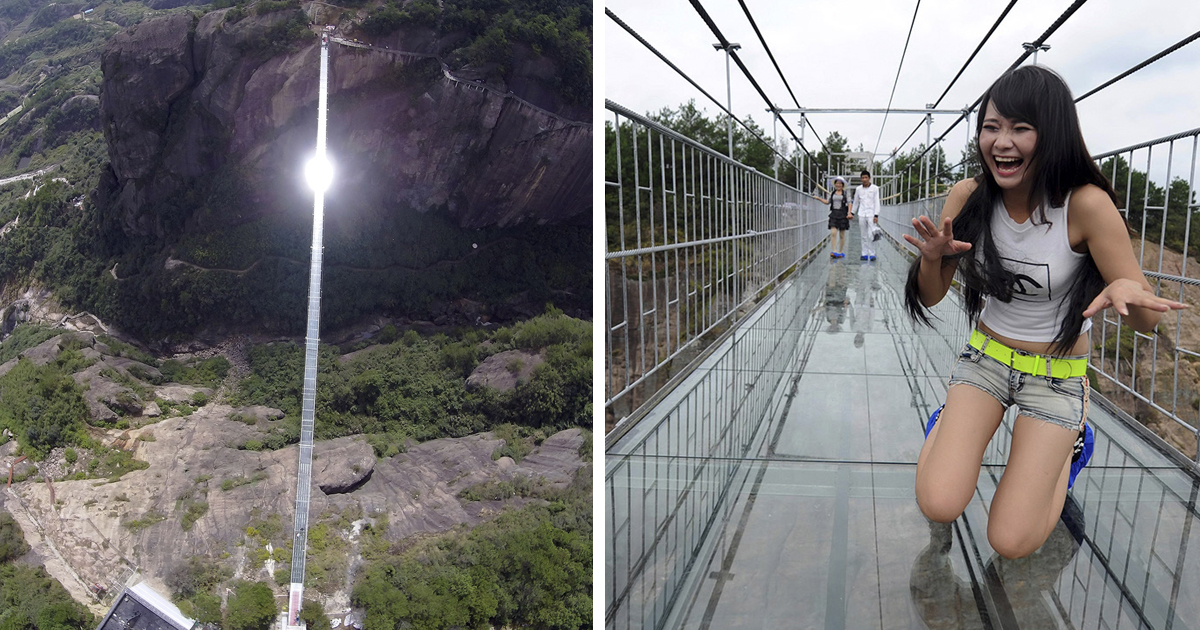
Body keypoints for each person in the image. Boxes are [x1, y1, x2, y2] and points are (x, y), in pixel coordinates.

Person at [903, 65, 1186, 559]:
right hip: (985, 362)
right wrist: (931, 261)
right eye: (991, 127)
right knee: (939, 502)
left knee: (1010, 542)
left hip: (1057, 377)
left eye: (1021, 128)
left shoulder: (1087, 205)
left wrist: (1126, 286)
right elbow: (930, 296)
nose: (1001, 142)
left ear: (1051, 134)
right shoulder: (970, 195)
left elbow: (1146, 321)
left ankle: (1072, 447)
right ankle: (948, 421)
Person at [816, 177, 853, 257]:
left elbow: (849, 203)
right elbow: (828, 202)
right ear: (835, 184)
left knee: (842, 235)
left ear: (842, 185)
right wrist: (819, 198)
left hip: (843, 214)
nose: (838, 185)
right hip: (834, 214)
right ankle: (834, 251)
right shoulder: (832, 193)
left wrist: (849, 213)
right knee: (833, 233)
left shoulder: (846, 194)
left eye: (840, 183)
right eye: (837, 183)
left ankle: (840, 251)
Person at [854, 170, 882, 260]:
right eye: (863, 178)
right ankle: (864, 253)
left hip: (871, 213)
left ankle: (872, 253)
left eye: (866, 177)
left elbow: (876, 202)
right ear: (861, 179)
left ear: (869, 178)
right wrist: (852, 212)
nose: (864, 179)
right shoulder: (858, 189)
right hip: (861, 213)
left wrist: (876, 215)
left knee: (872, 234)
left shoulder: (875, 188)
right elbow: (856, 202)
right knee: (863, 234)